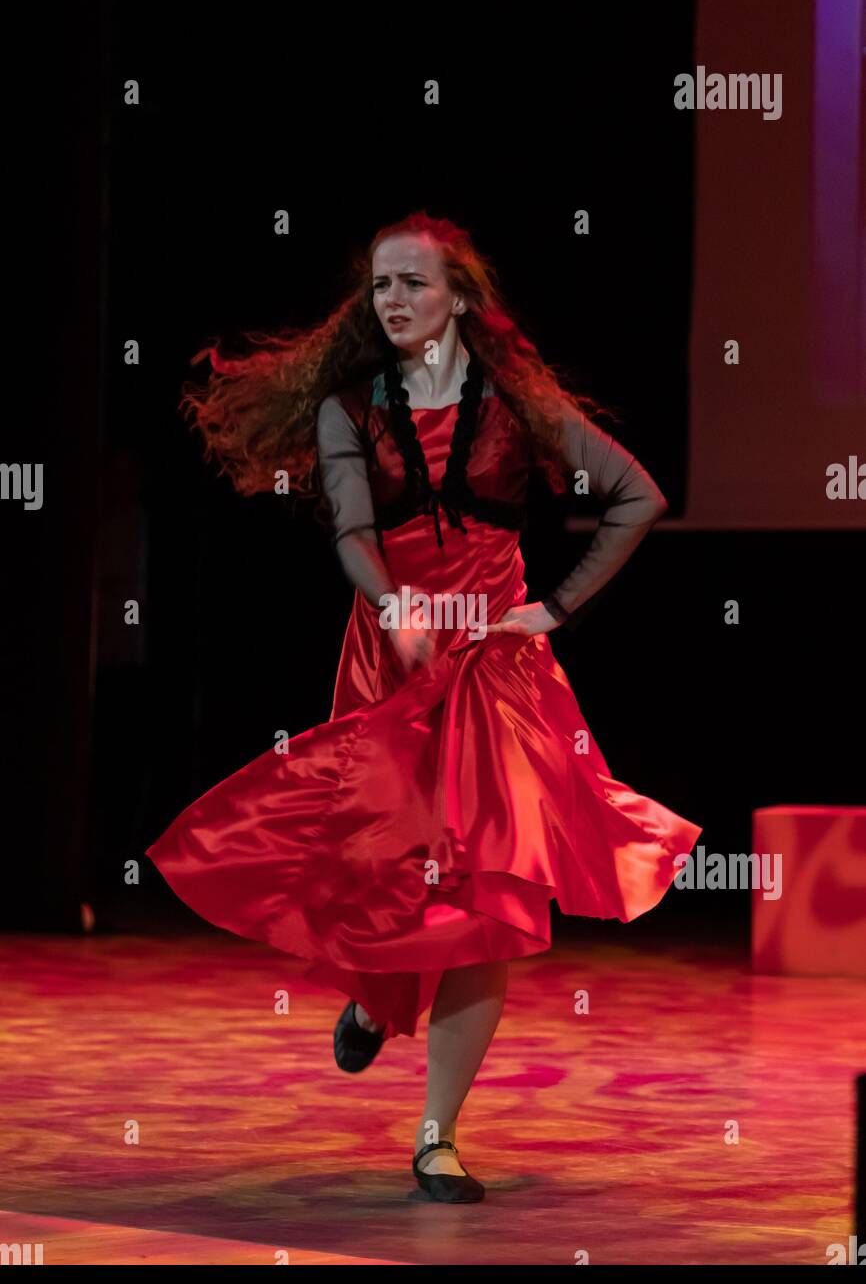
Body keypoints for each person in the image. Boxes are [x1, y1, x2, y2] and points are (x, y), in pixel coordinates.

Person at [146, 211, 702, 1204]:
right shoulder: (350, 409)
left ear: (459, 298)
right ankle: (371, 996)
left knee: (488, 901)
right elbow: (353, 535)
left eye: (410, 282)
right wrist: (392, 600)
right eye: (378, 285)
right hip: (392, 659)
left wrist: (554, 606)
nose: (391, 299)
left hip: (495, 670)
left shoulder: (515, 407)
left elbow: (637, 495)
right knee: (389, 880)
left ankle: (436, 1136)